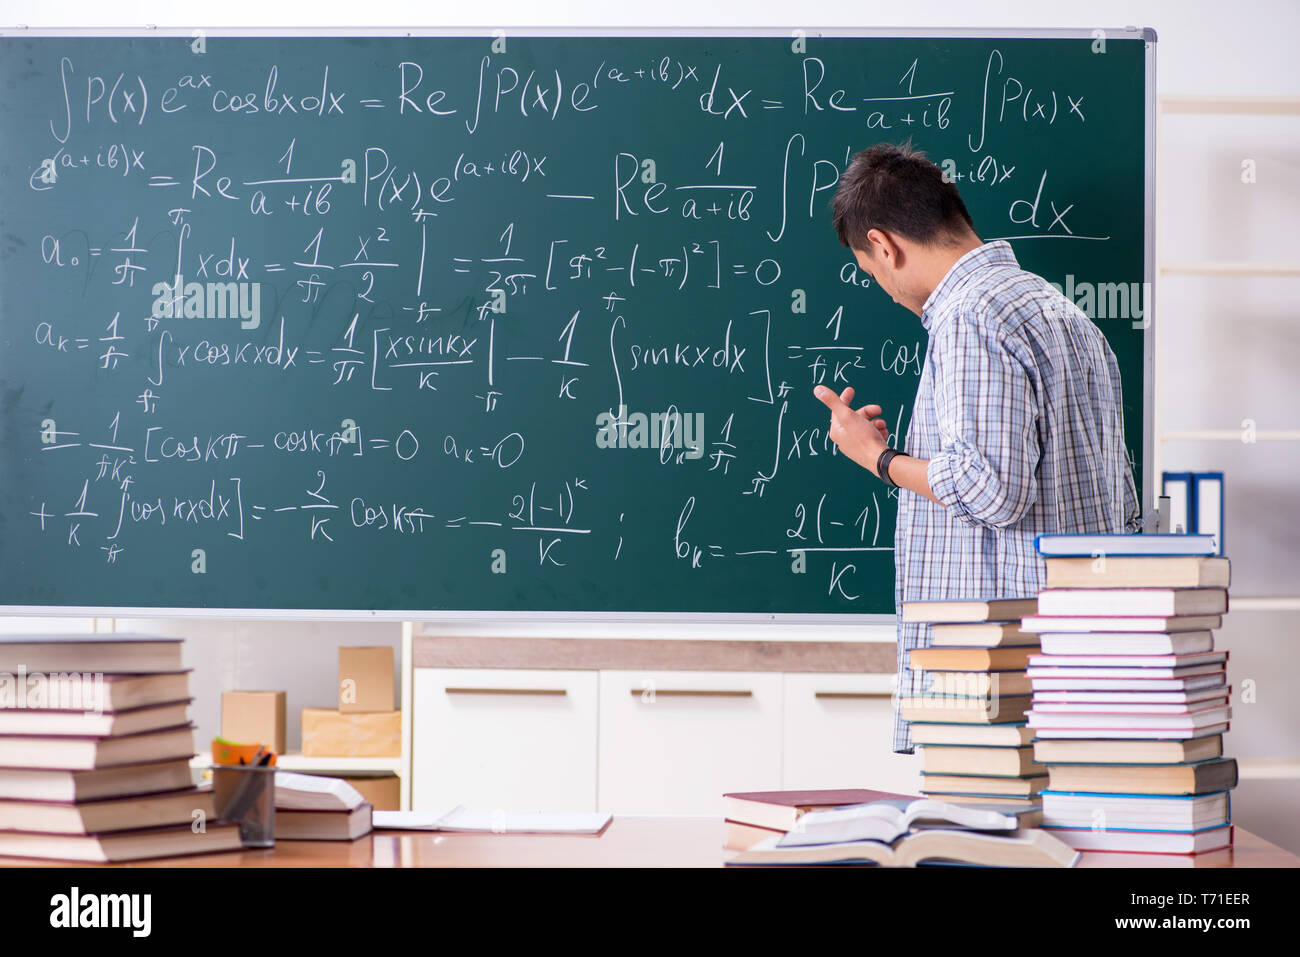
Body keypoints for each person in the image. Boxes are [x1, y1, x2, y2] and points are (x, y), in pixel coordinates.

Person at [815, 142, 1140, 753]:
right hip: (1076, 664)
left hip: (998, 671)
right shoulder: (1063, 313)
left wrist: (877, 458)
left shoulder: (969, 316)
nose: (881, 285)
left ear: (884, 247)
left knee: (983, 844)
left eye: (871, 270)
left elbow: (987, 488)